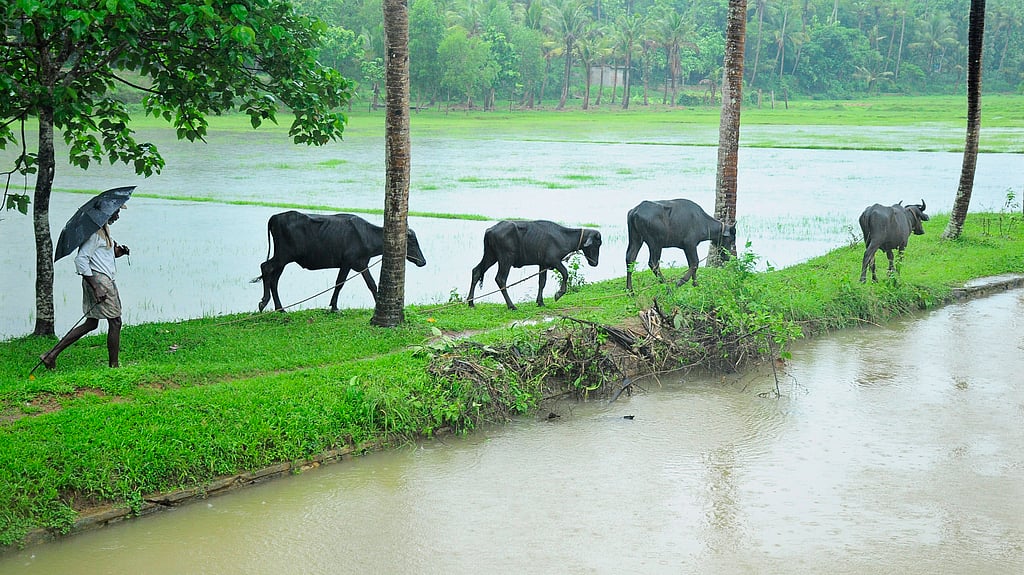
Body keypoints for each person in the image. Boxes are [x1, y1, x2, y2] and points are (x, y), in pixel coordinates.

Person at [40, 208, 130, 369]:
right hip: (100, 281)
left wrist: (119, 252)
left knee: (91, 323)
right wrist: (96, 287)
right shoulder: (94, 234)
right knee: (115, 321)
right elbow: (81, 260)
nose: (117, 215)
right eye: (115, 212)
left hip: (100, 279)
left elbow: (104, 255)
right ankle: (114, 366)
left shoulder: (104, 230)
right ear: (106, 213)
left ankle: (50, 355)